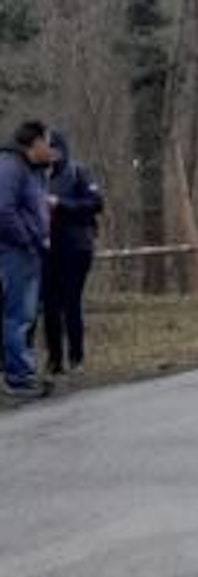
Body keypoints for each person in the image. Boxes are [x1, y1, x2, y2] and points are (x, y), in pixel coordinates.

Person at [0, 120, 57, 398]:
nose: (52, 147)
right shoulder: (10, 166)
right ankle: (18, 377)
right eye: (48, 142)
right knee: (18, 315)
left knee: (26, 314)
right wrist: (27, 240)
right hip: (15, 252)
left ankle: (23, 371)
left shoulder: (31, 171)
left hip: (30, 252)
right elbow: (3, 210)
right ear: (35, 143)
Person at [42, 130, 104, 376]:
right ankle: (54, 359)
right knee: (49, 305)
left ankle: (76, 357)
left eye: (53, 147)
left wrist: (61, 204)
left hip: (77, 246)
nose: (50, 153)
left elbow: (95, 203)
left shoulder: (78, 172)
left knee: (71, 302)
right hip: (48, 248)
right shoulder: (39, 176)